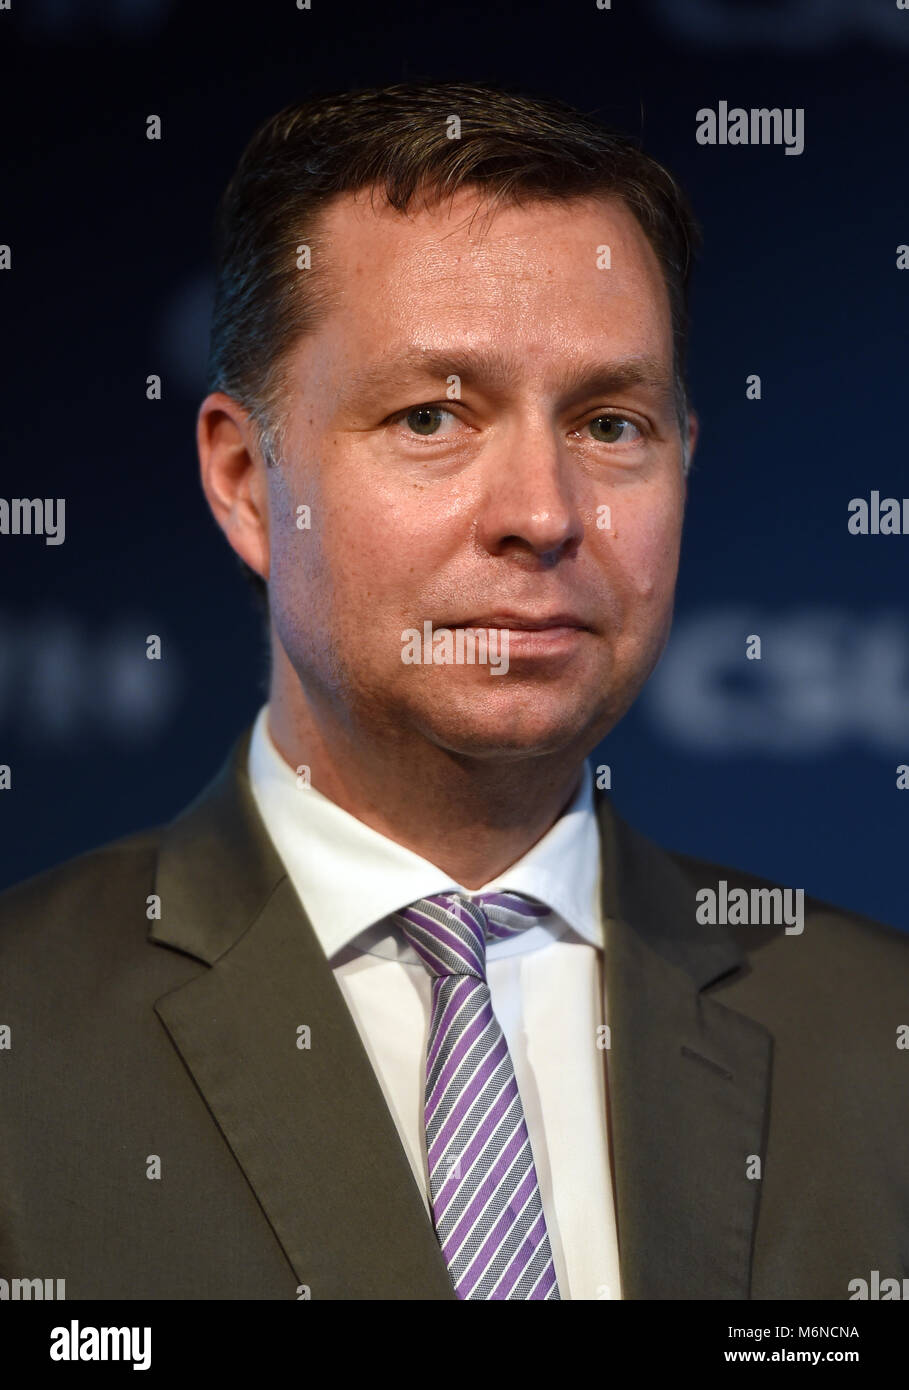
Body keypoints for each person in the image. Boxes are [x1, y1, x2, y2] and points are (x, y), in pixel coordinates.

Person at [1, 80, 906, 1302]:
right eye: (432, 416)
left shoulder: (877, 1039)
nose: (543, 512)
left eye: (610, 423)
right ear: (245, 480)